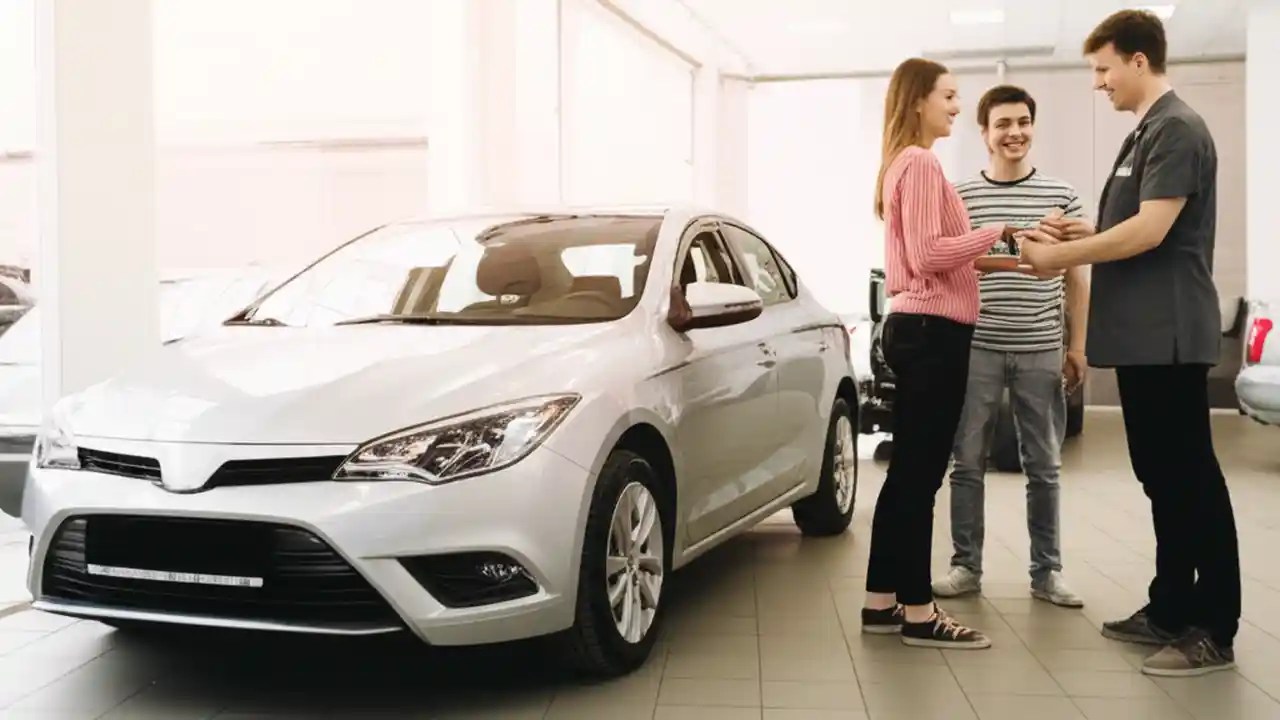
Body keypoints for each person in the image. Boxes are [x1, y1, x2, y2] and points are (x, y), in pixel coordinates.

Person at [1018, 9, 1241, 677]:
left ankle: (1214, 626)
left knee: (1191, 478)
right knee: (1160, 477)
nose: (1098, 82)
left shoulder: (1176, 127)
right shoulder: (1146, 131)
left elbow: (1150, 232)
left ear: (1139, 61)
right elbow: (1133, 219)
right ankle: (1170, 606)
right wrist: (1077, 233)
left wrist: (1063, 259)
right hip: (1143, 338)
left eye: (1103, 68)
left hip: (1168, 334)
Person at [860, 58, 1022, 650]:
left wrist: (1017, 255)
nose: (958, 105)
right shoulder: (923, 162)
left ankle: (881, 601)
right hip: (933, 332)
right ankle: (920, 614)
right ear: (919, 100)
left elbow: (943, 255)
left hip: (915, 325)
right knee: (921, 477)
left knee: (907, 473)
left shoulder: (902, 164)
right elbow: (932, 254)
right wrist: (997, 228)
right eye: (949, 96)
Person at [931, 85, 1090, 609]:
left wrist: (1078, 345)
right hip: (975, 345)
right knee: (967, 462)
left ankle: (1048, 573)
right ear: (984, 133)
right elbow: (949, 264)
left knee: (1043, 466)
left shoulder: (1061, 195)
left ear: (1032, 126)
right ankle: (965, 567)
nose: (1014, 132)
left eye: (1023, 121)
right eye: (1003, 124)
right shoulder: (960, 196)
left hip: (1042, 346)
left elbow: (1077, 276)